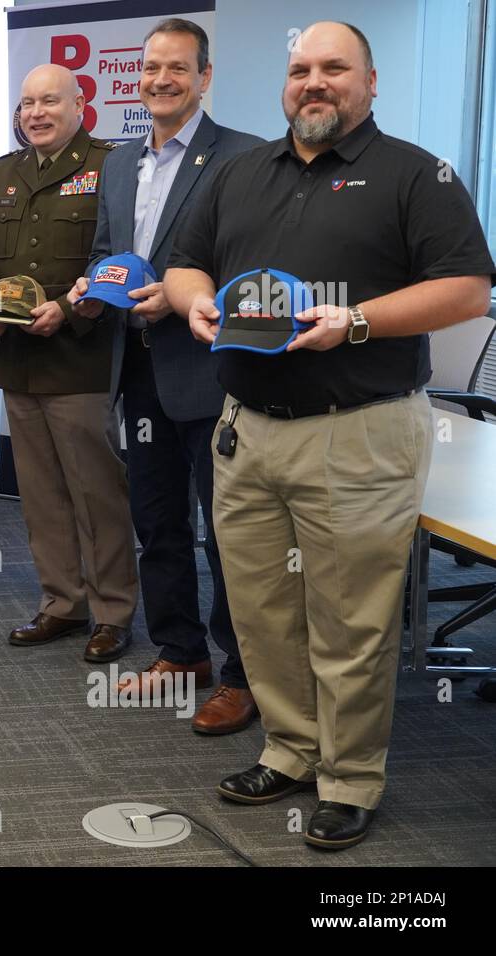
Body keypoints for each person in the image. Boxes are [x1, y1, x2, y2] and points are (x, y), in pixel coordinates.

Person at [165, 22, 494, 849]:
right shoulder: (242, 172)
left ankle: (350, 776)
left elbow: (466, 292)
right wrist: (193, 301)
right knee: (262, 610)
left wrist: (356, 322)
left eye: (334, 69)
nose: (315, 83)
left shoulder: (419, 175)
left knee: (349, 621)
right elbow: (182, 262)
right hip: (246, 433)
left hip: (360, 433)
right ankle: (290, 748)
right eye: (301, 69)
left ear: (370, 82)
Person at [67, 18, 264, 733]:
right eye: (151, 68)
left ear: (205, 77)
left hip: (211, 371)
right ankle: (180, 652)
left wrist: (181, 298)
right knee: (156, 523)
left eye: (177, 69)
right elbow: (105, 251)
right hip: (137, 369)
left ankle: (243, 676)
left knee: (229, 532)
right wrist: (91, 289)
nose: (160, 80)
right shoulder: (119, 163)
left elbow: (251, 266)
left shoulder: (244, 158)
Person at [0, 64, 140, 660]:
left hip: (80, 357)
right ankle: (61, 602)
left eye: (49, 102)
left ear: (79, 104)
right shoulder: (3, 173)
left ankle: (113, 611)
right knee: (40, 493)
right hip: (17, 359)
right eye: (26, 104)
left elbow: (117, 258)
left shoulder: (111, 165)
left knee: (96, 492)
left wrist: (68, 307)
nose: (35, 113)